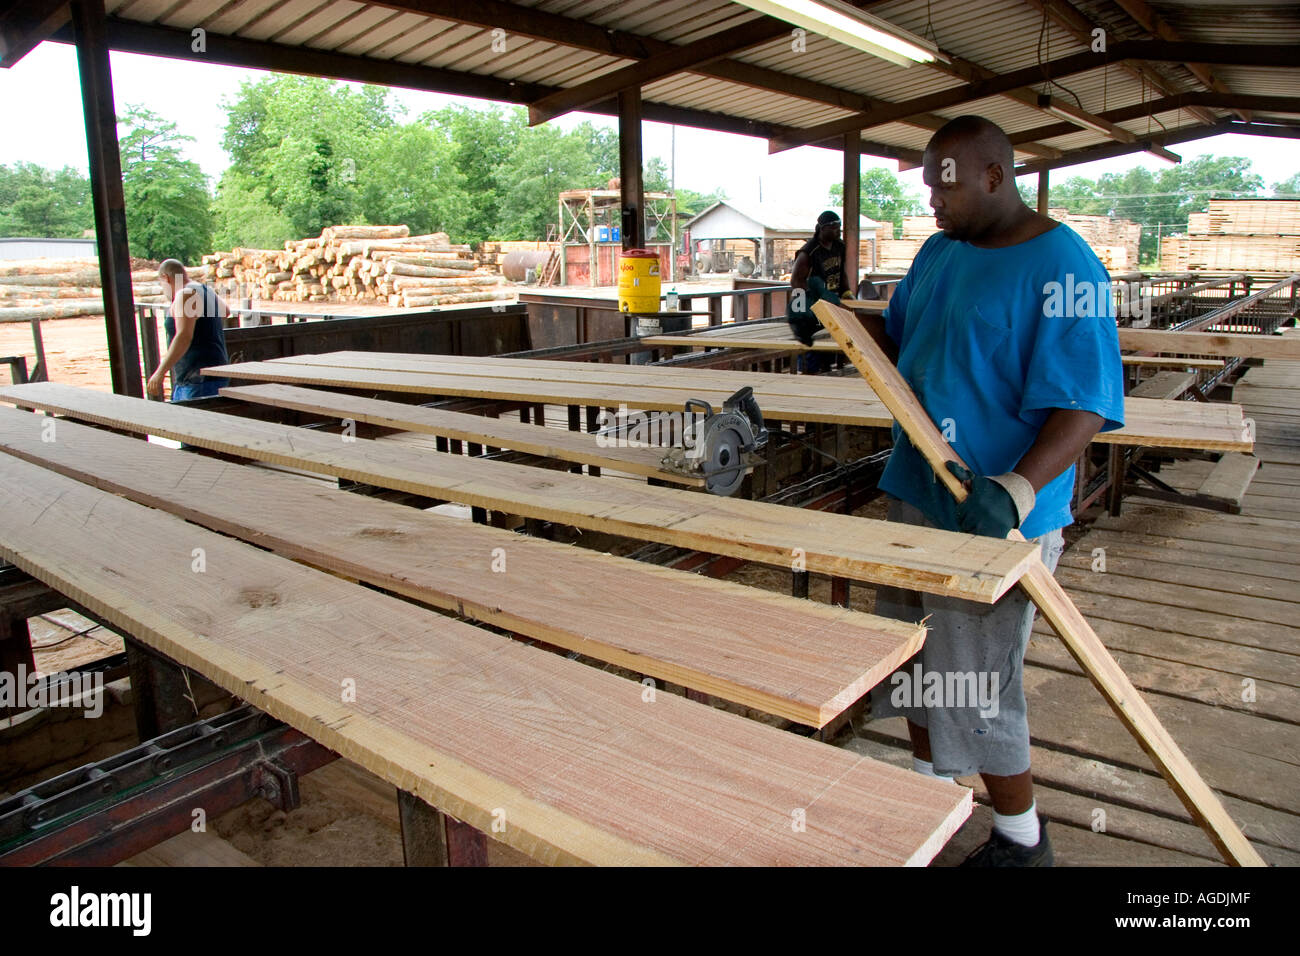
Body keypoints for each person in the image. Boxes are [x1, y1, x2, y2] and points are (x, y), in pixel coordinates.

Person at [859, 116, 1125, 866]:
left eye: (942, 188)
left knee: (975, 681)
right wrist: (833, 320)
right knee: (909, 657)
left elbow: (1087, 405)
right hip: (918, 490)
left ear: (994, 176)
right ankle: (922, 800)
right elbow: (901, 339)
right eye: (925, 188)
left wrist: (1014, 487)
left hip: (994, 516)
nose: (931, 205)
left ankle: (1020, 839)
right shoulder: (942, 252)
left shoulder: (1064, 266)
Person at [146, 259, 230, 402]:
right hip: (214, 371)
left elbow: (184, 336)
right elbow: (225, 311)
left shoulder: (185, 295)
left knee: (192, 421)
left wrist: (160, 372)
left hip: (196, 377)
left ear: (166, 278)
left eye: (162, 284)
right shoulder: (204, 289)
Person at [787, 210, 846, 370]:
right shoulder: (809, 252)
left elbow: (843, 272)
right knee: (811, 343)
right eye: (834, 227)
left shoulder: (839, 247)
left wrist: (846, 293)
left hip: (832, 302)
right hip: (814, 304)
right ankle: (808, 373)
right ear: (822, 228)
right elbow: (796, 281)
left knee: (828, 343)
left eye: (839, 227)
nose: (838, 231)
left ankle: (826, 371)